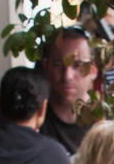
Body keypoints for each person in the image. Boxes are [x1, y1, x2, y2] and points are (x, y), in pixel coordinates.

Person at [39, 26, 101, 155]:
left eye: (77, 65)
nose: (67, 76)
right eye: (57, 65)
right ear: (46, 68)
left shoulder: (109, 122)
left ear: (92, 71)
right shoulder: (29, 117)